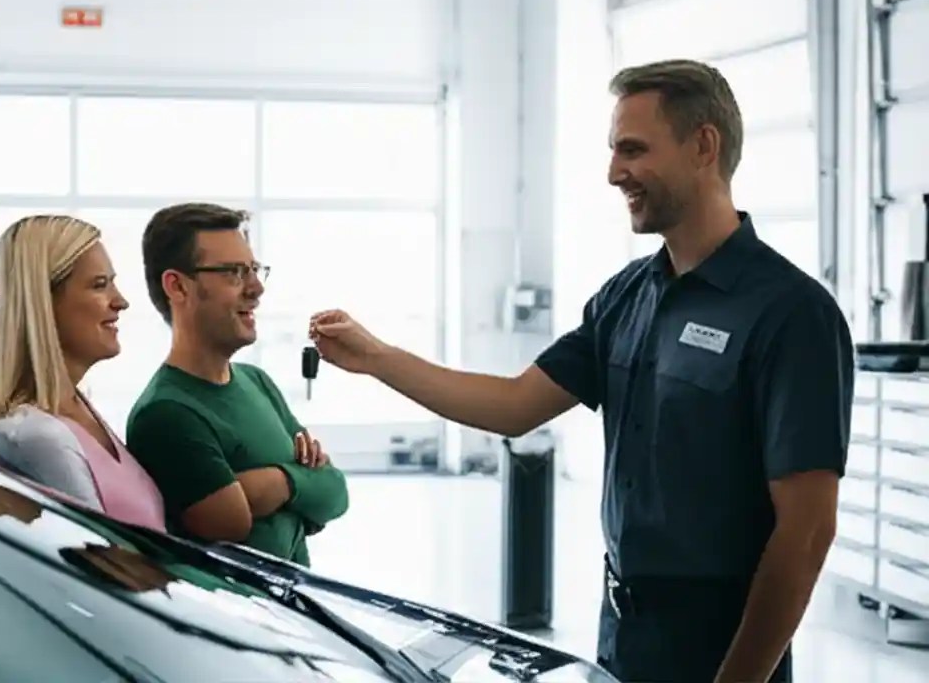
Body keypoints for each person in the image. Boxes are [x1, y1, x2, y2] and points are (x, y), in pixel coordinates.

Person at [309, 60, 853, 682]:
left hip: (721, 646)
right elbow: (514, 405)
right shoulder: (627, 296)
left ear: (704, 145)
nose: (614, 171)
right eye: (614, 150)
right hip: (623, 630)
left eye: (633, 149)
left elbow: (807, 531)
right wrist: (378, 358)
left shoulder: (791, 313)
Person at [125, 202, 348, 566]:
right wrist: (302, 488)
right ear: (177, 286)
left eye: (255, 270)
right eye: (234, 272)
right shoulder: (165, 414)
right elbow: (231, 524)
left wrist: (279, 484)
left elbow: (335, 493)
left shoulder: (257, 382)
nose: (256, 288)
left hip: (295, 607)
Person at [0, 215, 166, 532]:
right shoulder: (36, 434)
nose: (121, 302)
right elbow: (103, 563)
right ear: (43, 303)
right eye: (99, 285)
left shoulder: (77, 409)